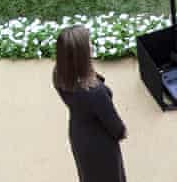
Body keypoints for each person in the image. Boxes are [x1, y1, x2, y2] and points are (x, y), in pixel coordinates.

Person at [54, 25, 128, 182]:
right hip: (101, 146)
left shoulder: (59, 74)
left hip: (79, 135)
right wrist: (122, 132)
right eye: (89, 44)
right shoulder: (95, 92)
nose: (91, 46)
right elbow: (117, 128)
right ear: (81, 55)